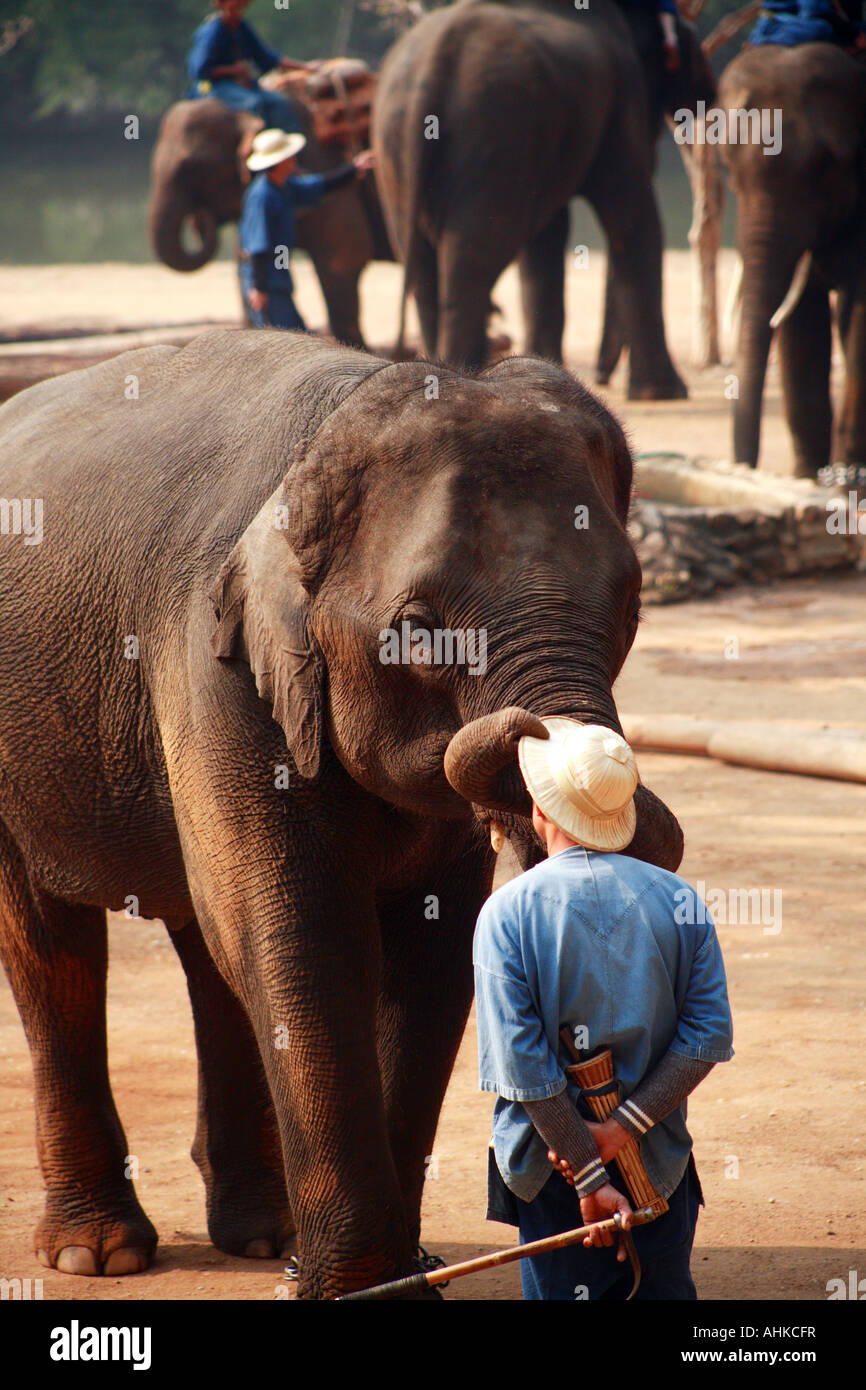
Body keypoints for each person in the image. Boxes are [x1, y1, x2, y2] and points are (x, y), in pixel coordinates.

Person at [473, 720, 734, 1301]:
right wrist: (620, 1132)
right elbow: (708, 1034)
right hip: (658, 1158)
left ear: (539, 807)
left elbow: (524, 1068)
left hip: (552, 1167)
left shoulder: (507, 913)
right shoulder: (678, 898)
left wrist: (589, 1174)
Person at [238, 128, 375, 330]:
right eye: (289, 155)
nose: (294, 158)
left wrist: (353, 170)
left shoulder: (285, 187)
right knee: (283, 339)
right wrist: (259, 288)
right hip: (265, 277)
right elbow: (258, 246)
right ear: (279, 161)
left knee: (295, 332)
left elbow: (318, 186)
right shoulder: (262, 196)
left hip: (279, 274)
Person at [187, 0, 314, 129]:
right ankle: (253, 140)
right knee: (253, 103)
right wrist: (234, 70)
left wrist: (306, 67)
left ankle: (291, 139)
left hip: (241, 84)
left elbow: (265, 56)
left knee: (278, 102)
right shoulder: (212, 31)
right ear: (222, 3)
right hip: (214, 86)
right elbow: (199, 70)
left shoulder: (241, 27)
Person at [748, 0, 866, 52]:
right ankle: (765, 43)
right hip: (780, 26)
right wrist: (854, 34)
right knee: (821, 28)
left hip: (787, 22)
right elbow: (814, 11)